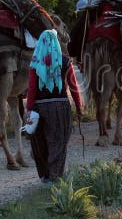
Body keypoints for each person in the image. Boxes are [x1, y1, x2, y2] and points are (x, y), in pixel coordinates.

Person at [25, 29, 82, 183]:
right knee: (58, 142)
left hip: (39, 108)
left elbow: (32, 89)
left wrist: (29, 109)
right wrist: (79, 106)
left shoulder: (35, 63)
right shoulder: (65, 61)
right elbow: (73, 86)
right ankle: (54, 176)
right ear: (56, 42)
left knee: (40, 143)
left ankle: (45, 175)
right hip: (60, 107)